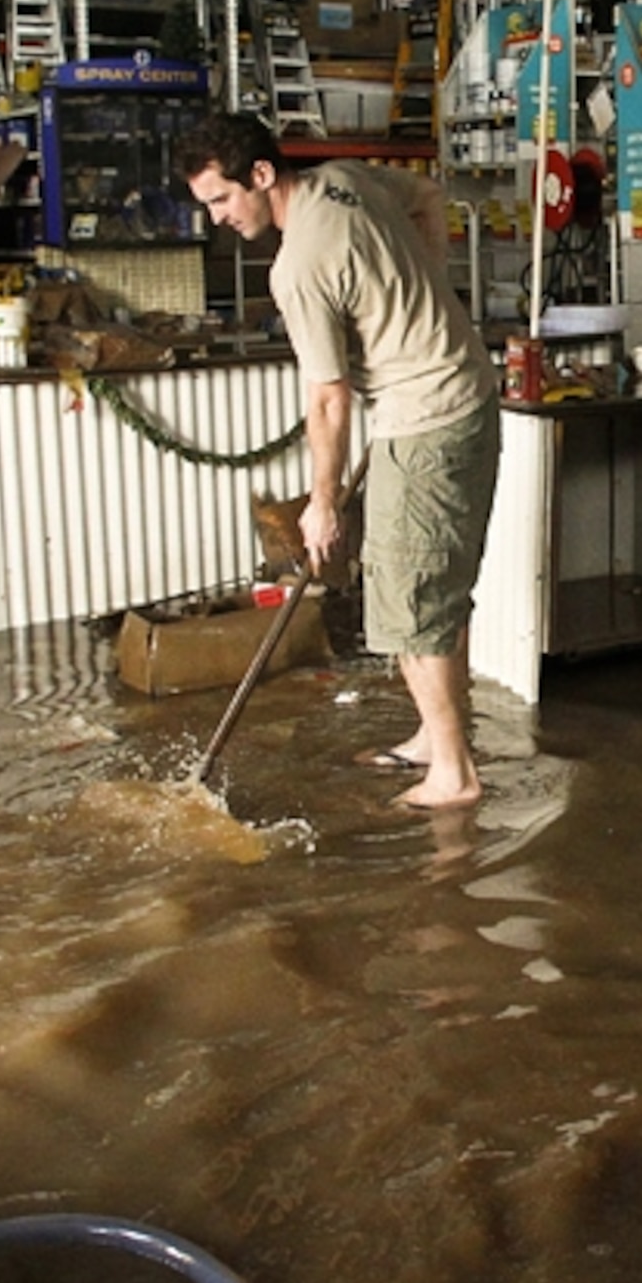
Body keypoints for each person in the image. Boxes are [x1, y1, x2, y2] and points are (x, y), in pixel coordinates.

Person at [179, 114, 500, 811]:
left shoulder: (297, 264)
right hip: (467, 390)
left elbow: (329, 399)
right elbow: (428, 196)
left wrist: (321, 503)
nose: (219, 218)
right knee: (439, 585)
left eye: (222, 200)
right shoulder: (346, 180)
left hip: (425, 421)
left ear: (261, 176)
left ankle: (453, 773)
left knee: (411, 597)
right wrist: (425, 296)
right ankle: (434, 736)